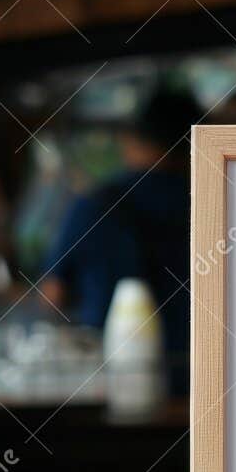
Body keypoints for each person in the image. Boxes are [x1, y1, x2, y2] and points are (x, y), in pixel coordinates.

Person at [41, 85, 202, 396]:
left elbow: (52, 296)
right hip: (202, 383)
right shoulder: (215, 200)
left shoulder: (95, 204)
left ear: (133, 140)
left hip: (112, 385)